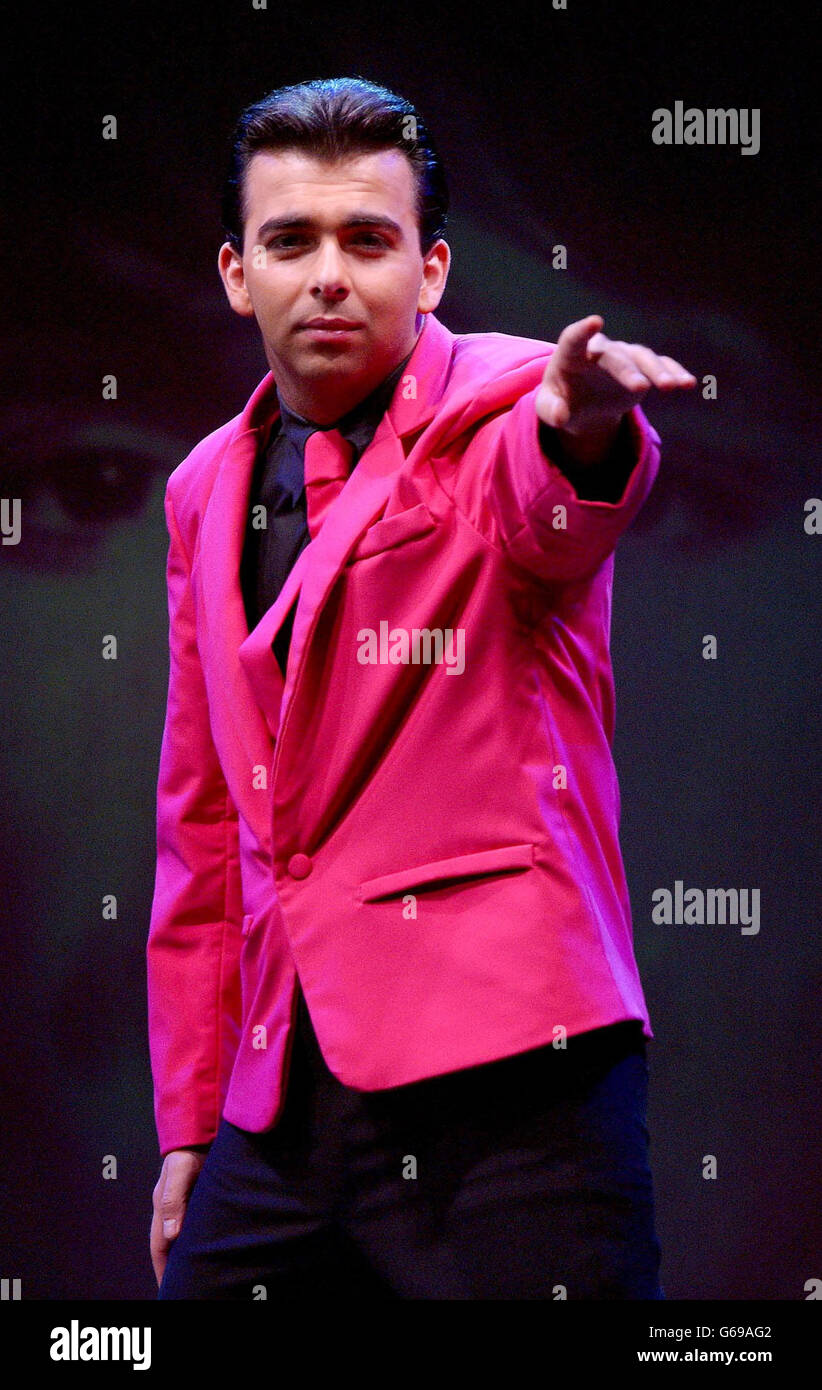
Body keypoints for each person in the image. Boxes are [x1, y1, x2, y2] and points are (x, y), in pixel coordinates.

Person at [147, 75, 695, 1300]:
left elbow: (546, 501)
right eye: (291, 240)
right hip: (284, 1100)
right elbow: (204, 823)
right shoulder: (199, 488)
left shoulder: (501, 396)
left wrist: (583, 427)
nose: (329, 274)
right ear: (240, 273)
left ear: (432, 270)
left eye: (368, 240)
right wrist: (191, 1118)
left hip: (514, 1091)